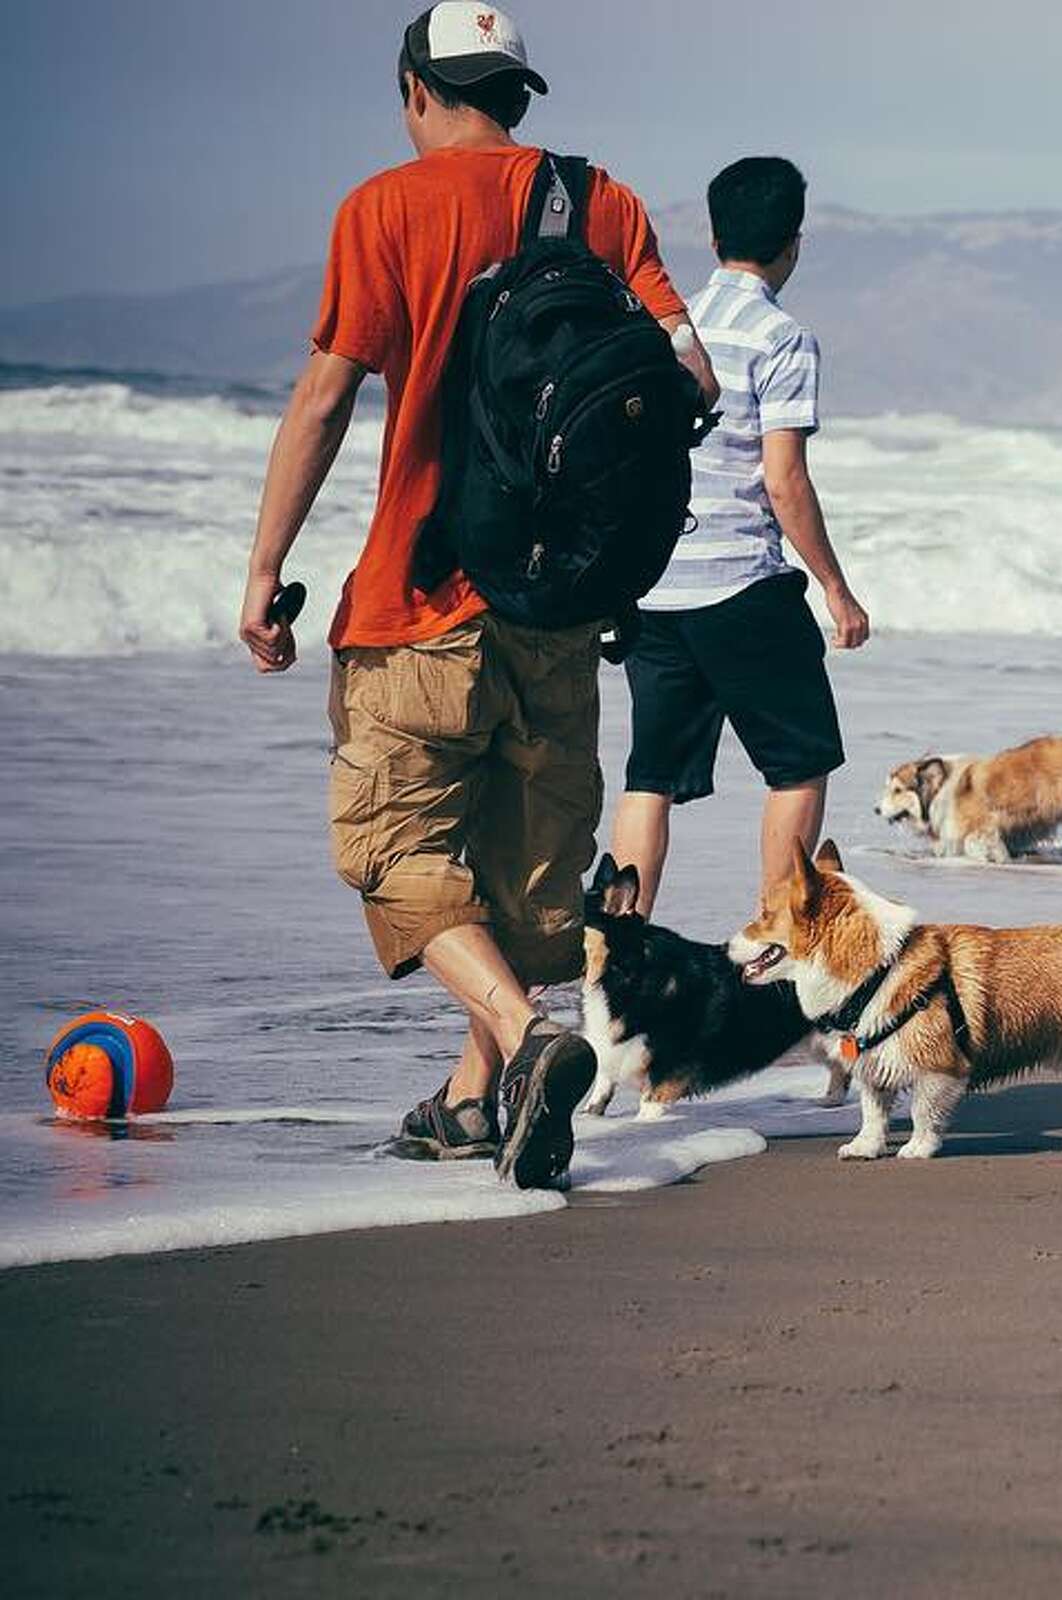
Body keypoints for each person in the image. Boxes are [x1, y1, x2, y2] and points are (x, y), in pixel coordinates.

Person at [237, 4, 716, 1187]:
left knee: (393, 844)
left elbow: (324, 400)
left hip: (420, 599)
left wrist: (264, 568)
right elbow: (692, 378)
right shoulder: (601, 203)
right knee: (522, 880)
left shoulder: (385, 208)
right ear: (516, 94)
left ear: (414, 88)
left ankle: (521, 1037)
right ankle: (470, 1099)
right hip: (561, 607)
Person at [605, 156, 870, 919]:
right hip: (740, 586)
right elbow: (784, 481)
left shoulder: (662, 327)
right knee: (800, 762)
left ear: (714, 235)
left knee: (649, 777)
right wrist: (836, 589)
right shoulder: (782, 338)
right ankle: (779, 939)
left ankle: (616, 945)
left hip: (653, 587)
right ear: (794, 244)